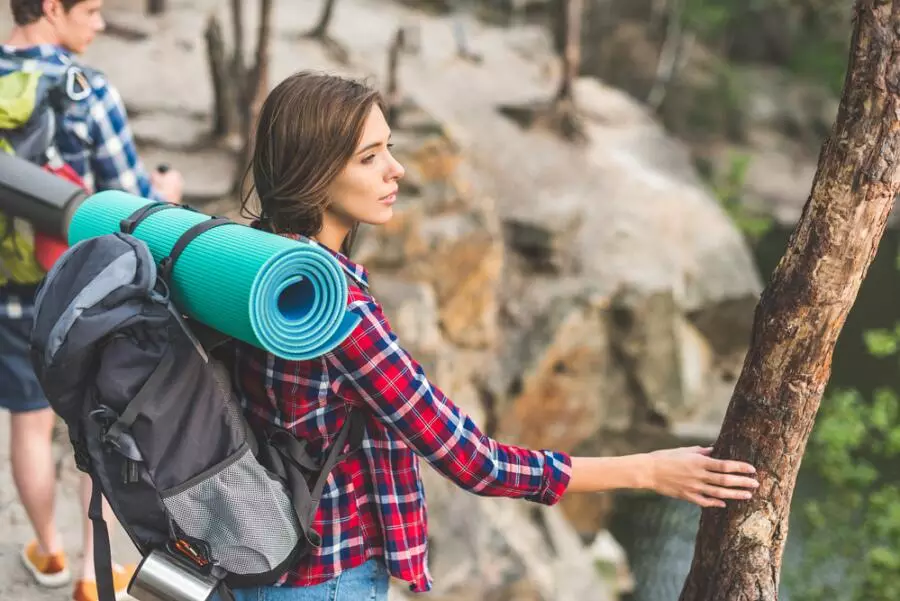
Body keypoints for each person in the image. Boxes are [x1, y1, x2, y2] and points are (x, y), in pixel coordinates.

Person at [221, 70, 760, 601]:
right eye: (370, 157)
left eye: (390, 148)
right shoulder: (338, 312)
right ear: (313, 174)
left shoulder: (248, 259)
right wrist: (649, 470)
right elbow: (476, 463)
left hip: (262, 564)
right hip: (327, 580)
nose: (398, 170)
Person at [0, 1, 183, 600]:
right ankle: (88, 575)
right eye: (94, 9)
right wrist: (165, 193)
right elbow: (130, 201)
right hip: (83, 293)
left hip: (8, 289)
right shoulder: (87, 90)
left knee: (26, 426)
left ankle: (48, 549)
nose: (100, 24)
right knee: (91, 429)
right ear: (53, 7)